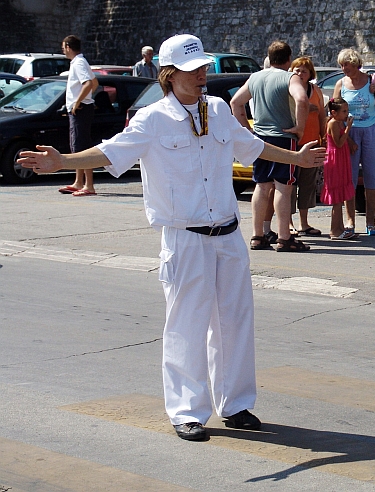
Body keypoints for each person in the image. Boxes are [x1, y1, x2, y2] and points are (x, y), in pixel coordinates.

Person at [16, 34, 325, 442]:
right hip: (185, 239)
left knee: (235, 322)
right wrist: (63, 161)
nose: (202, 75)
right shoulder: (152, 119)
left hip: (228, 236)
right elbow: (110, 151)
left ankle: (235, 404)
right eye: (193, 70)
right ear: (169, 74)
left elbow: (251, 145)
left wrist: (296, 157)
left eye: (203, 68)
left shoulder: (218, 109)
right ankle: (186, 411)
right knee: (187, 326)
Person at [230, 41, 310, 252]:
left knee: (262, 185)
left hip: (260, 138)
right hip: (283, 136)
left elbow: (236, 102)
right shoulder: (289, 77)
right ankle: (284, 237)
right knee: (283, 186)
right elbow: (302, 99)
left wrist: (247, 130)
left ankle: (258, 235)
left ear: (269, 57)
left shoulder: (256, 77)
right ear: (289, 59)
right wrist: (300, 128)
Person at [332, 48, 375, 236]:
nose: (344, 68)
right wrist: (347, 138)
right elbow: (334, 113)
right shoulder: (341, 84)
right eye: (341, 65)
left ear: (355, 63)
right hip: (349, 132)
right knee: (349, 178)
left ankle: (371, 222)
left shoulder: (371, 80)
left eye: (346, 64)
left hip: (371, 130)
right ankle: (350, 220)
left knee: (372, 176)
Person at [288, 56, 327, 237]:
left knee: (308, 185)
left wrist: (323, 137)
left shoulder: (315, 90)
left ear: (310, 73)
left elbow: (322, 116)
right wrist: (305, 107)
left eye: (304, 71)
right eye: (297, 70)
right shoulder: (288, 88)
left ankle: (304, 223)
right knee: (289, 184)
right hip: (292, 143)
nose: (300, 73)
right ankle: (288, 223)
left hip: (311, 142)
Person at [59, 35, 99, 196]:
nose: (63, 50)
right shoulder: (79, 62)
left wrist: (78, 101)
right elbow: (95, 83)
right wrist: (86, 98)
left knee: (81, 146)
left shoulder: (79, 63)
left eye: (63, 47)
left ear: (68, 47)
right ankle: (78, 182)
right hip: (83, 108)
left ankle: (89, 185)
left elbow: (88, 83)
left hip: (81, 109)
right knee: (77, 146)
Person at [321, 97, 356, 239]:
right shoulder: (333, 123)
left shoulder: (339, 122)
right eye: (344, 111)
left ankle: (340, 229)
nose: (347, 114)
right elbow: (339, 143)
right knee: (337, 199)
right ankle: (335, 231)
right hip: (334, 160)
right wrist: (348, 129)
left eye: (347, 110)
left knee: (340, 196)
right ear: (334, 113)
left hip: (341, 158)